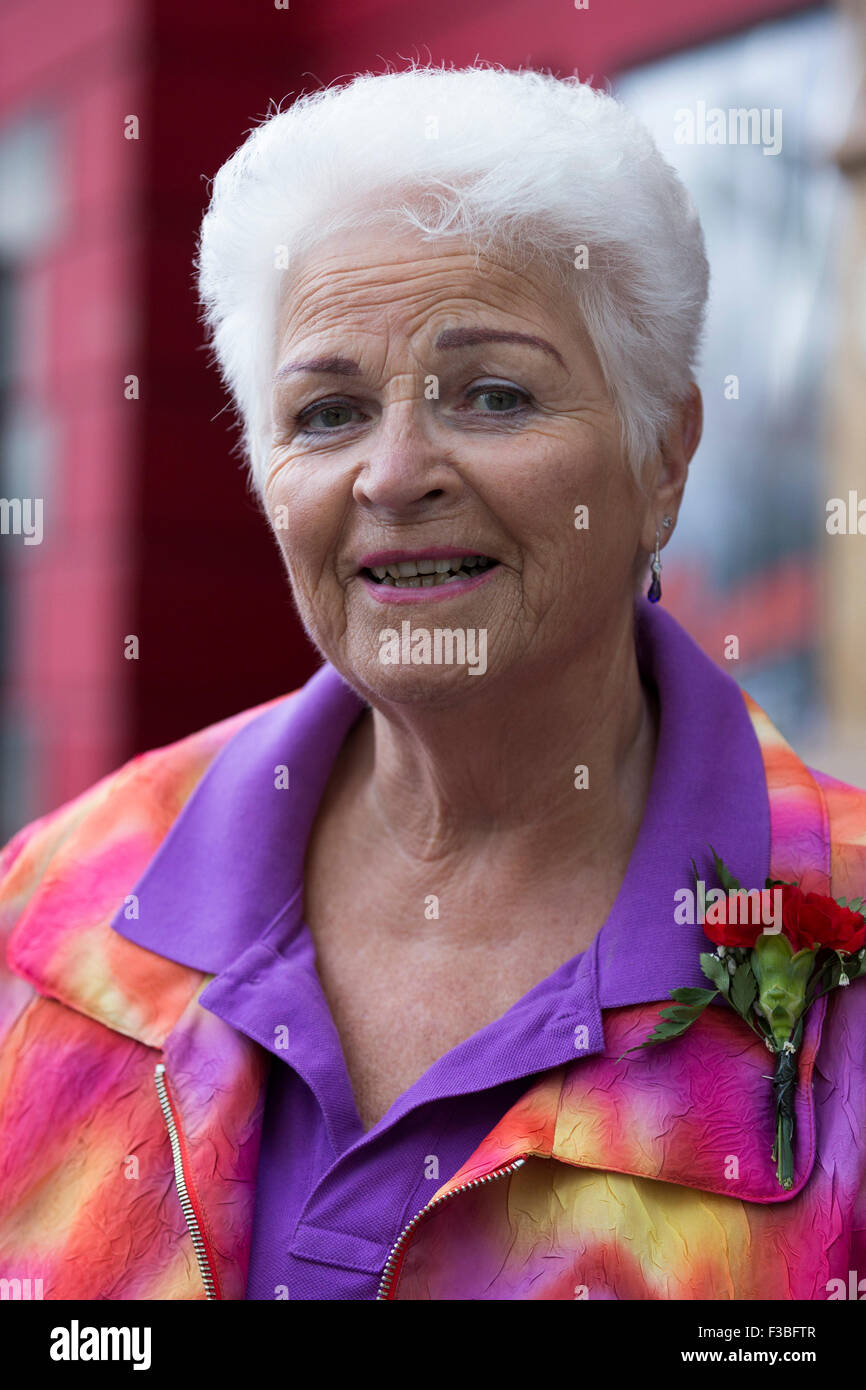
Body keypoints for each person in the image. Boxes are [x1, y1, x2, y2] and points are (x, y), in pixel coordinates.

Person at [1, 64, 864, 1302]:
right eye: (328, 411)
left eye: (494, 395)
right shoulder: (54, 907)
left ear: (663, 457)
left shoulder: (838, 934)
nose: (394, 474)